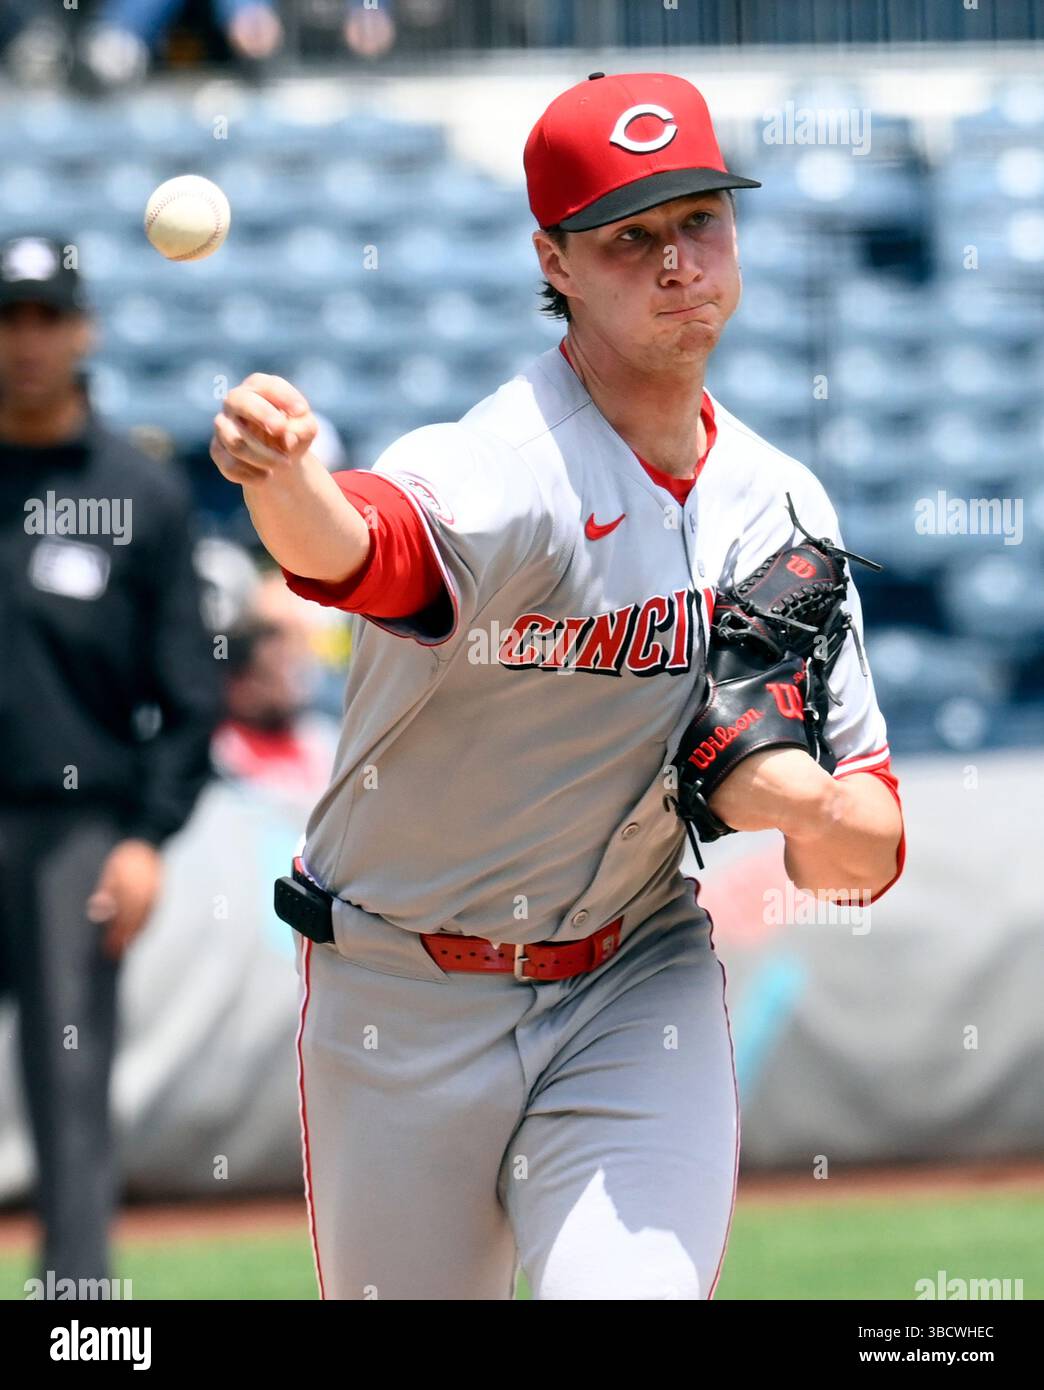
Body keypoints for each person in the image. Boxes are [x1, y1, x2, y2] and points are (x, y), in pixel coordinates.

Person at [208, 72, 906, 1300]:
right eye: (631, 236)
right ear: (556, 259)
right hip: (400, 989)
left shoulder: (782, 506)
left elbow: (863, 852)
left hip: (635, 972)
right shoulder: (509, 465)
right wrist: (283, 483)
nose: (679, 261)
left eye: (700, 218)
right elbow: (367, 549)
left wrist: (801, 809)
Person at [0, 234, 219, 1291]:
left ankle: (75, 1321)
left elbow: (188, 697)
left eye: (46, 316)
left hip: (74, 833)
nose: (26, 340)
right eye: (9, 317)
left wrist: (146, 837)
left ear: (81, 330)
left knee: (71, 1085)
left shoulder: (140, 494)